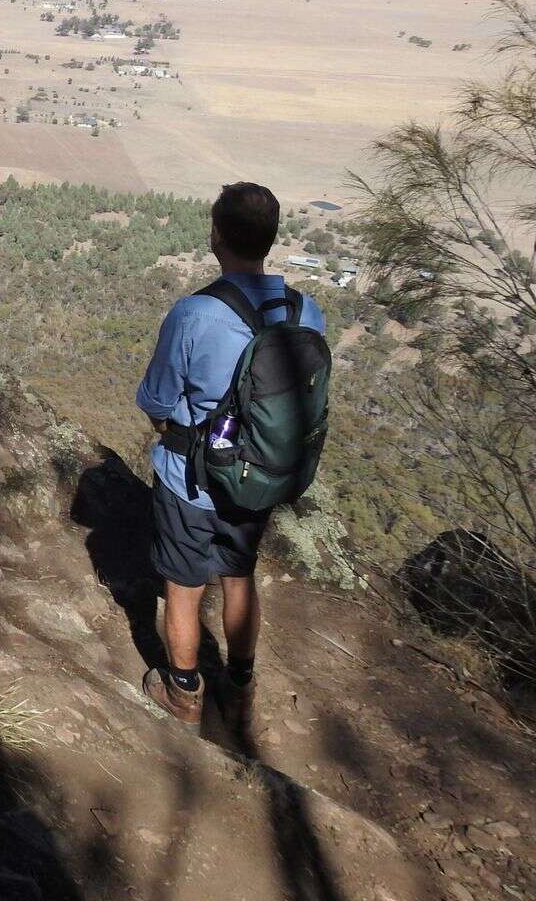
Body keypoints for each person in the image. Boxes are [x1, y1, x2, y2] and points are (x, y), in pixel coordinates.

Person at [135, 181, 325, 727]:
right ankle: (240, 688)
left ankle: (184, 693)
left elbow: (156, 399)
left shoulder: (195, 314)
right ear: (270, 238)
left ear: (216, 236)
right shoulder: (304, 310)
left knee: (184, 586)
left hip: (189, 479)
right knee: (239, 574)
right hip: (261, 474)